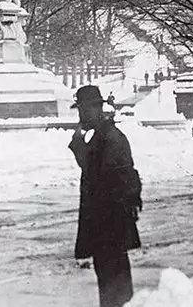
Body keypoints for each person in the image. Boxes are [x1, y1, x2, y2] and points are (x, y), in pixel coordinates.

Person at [68, 85, 142, 307]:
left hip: (110, 226)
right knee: (111, 284)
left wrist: (78, 144)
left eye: (82, 110)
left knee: (114, 288)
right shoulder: (103, 136)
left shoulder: (109, 138)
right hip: (108, 228)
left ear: (95, 109)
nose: (80, 116)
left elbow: (99, 176)